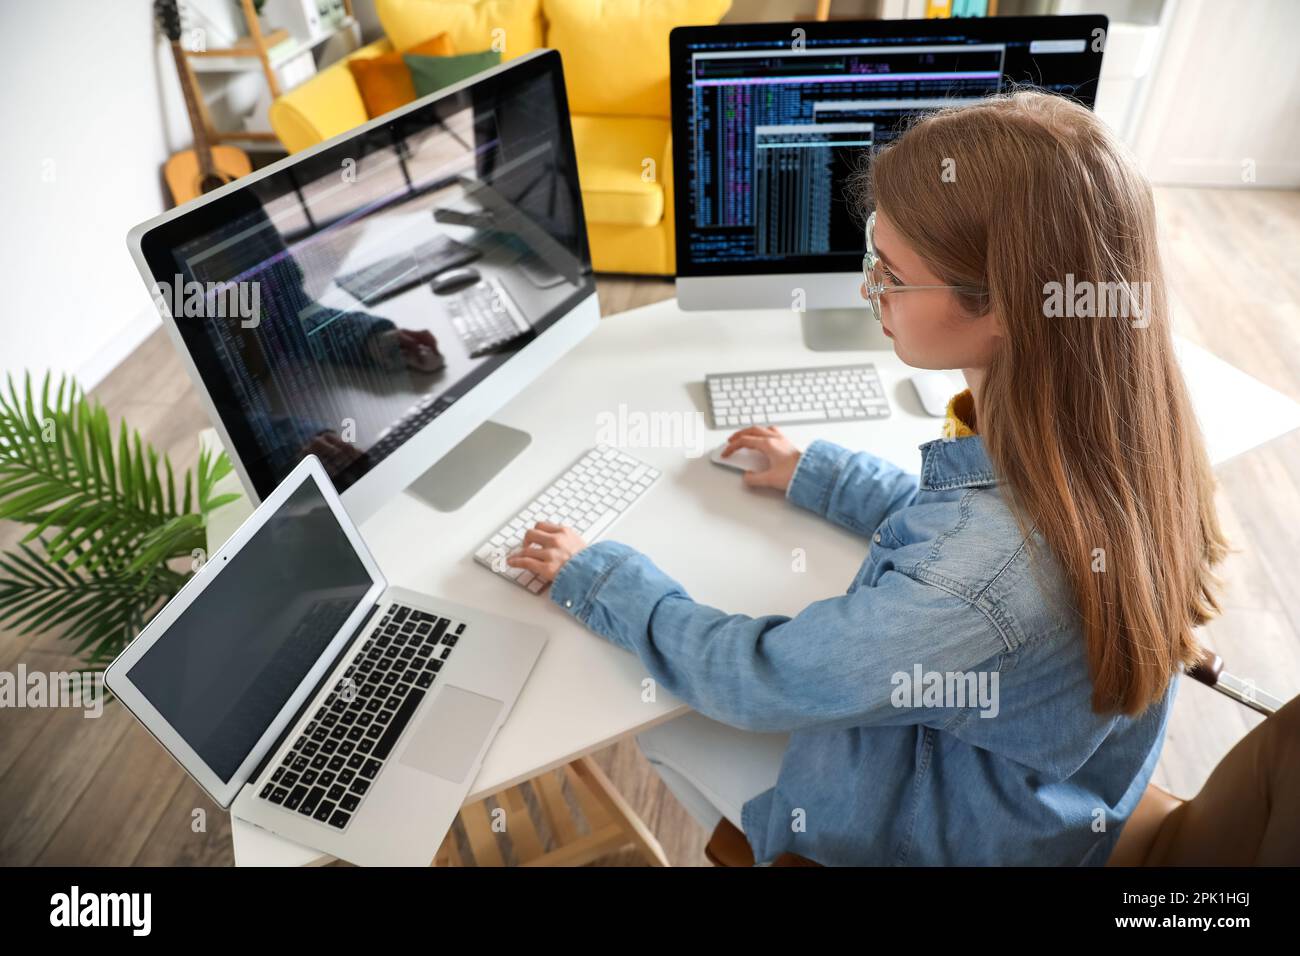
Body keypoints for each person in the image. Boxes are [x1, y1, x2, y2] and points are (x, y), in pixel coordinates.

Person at [506, 90, 1229, 865]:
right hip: (1055, 798)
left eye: (890, 273)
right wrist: (821, 475)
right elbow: (969, 539)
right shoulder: (1128, 432)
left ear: (1004, 309)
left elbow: (766, 679)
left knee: (651, 715)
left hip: (929, 830)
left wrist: (600, 576)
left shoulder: (979, 581)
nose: (868, 290)